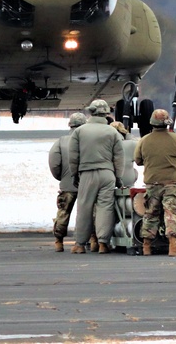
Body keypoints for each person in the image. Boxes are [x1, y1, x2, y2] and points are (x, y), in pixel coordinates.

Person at [67, 99, 125, 254]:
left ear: (90, 112)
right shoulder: (113, 132)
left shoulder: (80, 131)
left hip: (87, 173)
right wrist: (118, 178)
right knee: (105, 208)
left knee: (84, 207)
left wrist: (74, 174)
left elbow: (73, 156)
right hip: (107, 174)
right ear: (106, 113)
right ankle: (103, 243)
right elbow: (119, 158)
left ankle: (80, 244)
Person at [134, 108, 176, 256]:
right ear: (167, 123)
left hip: (152, 183)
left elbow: (138, 161)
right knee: (171, 214)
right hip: (171, 184)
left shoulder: (144, 140)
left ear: (152, 123)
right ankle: (173, 246)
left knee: (150, 213)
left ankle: (146, 247)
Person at [48, 112, 86, 252]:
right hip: (86, 183)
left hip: (67, 183)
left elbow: (54, 163)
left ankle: (59, 241)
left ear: (70, 124)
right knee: (89, 213)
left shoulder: (61, 141)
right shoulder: (87, 141)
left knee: (63, 212)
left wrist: (61, 177)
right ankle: (92, 240)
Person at [110, 121, 139, 188]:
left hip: (110, 179)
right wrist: (128, 135)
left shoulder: (106, 145)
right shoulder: (131, 144)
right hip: (128, 179)